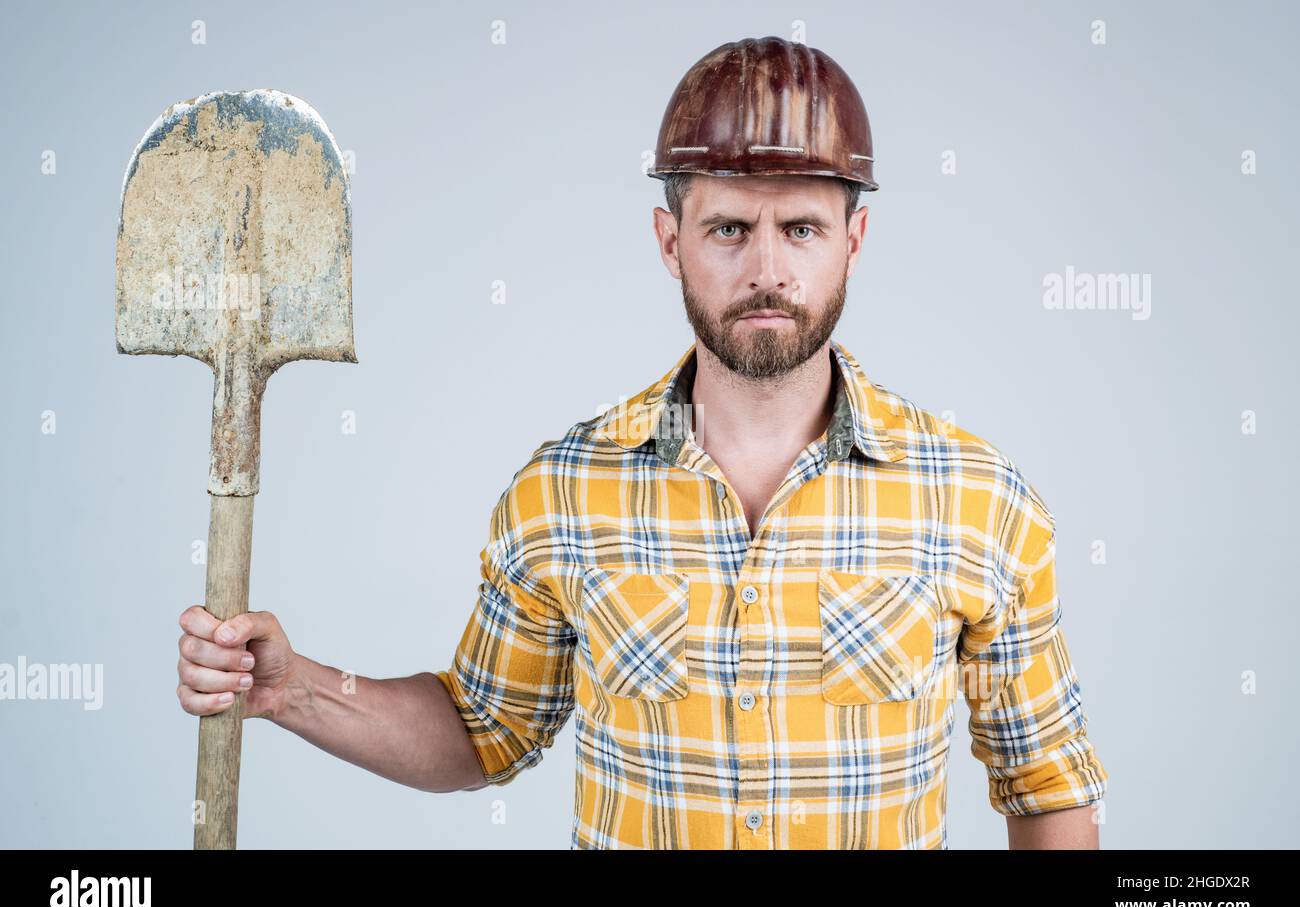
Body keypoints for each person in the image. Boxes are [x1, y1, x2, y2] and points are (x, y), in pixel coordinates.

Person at [175, 36, 1108, 849]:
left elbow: (1047, 788)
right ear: (671, 241)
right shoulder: (564, 493)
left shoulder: (980, 502)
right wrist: (291, 688)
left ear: (854, 240)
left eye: (803, 228)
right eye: (730, 229)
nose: (768, 269)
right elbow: (480, 730)